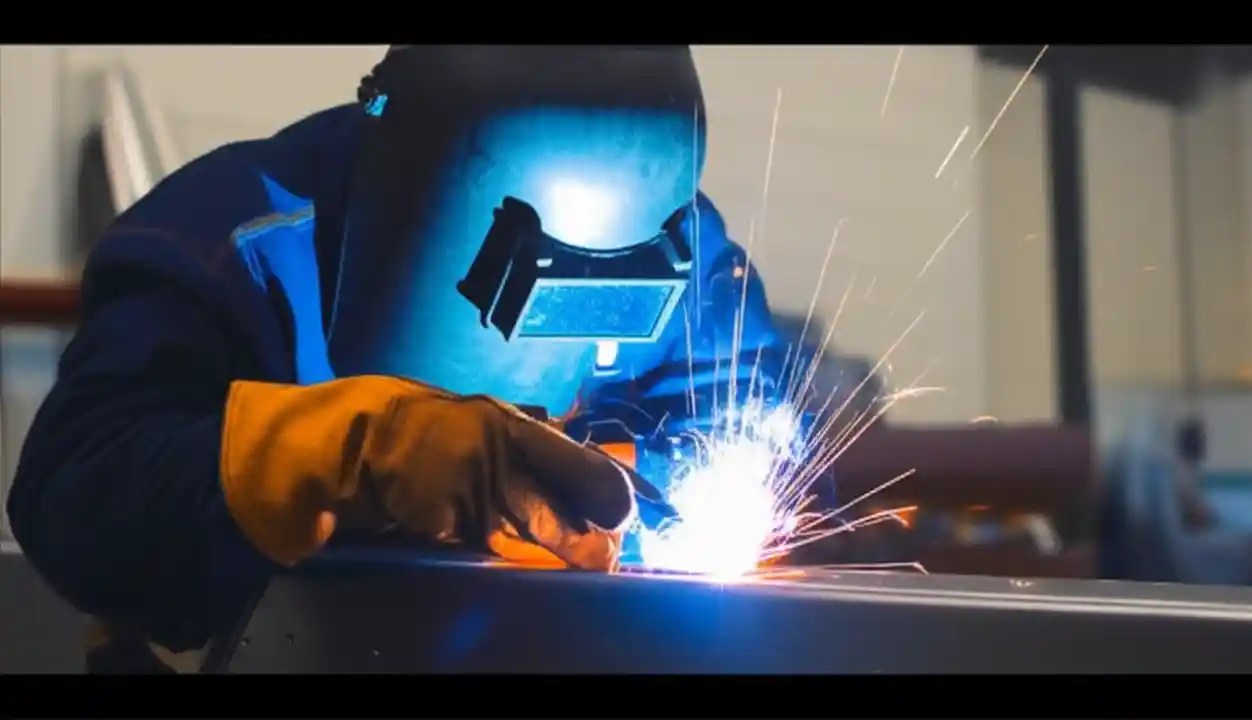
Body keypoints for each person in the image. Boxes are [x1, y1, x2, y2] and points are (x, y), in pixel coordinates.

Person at [6, 45, 785, 662]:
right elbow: (72, 494)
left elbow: (750, 428)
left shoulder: (680, 249)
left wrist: (626, 487)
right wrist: (350, 454)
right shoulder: (239, 239)